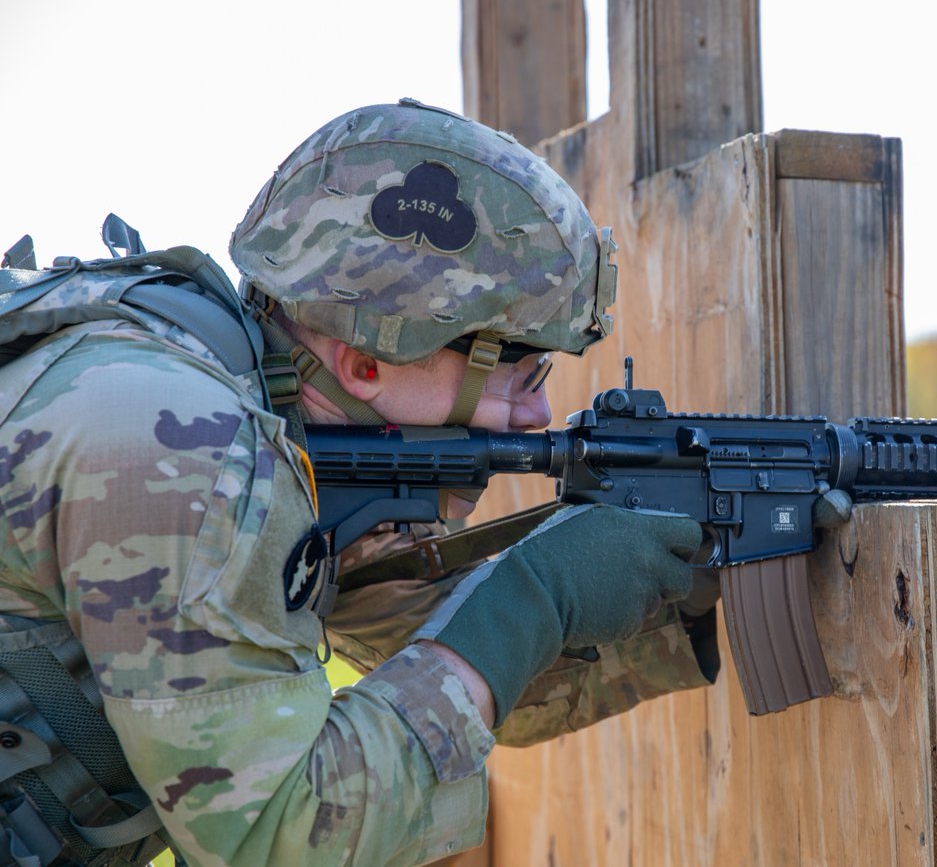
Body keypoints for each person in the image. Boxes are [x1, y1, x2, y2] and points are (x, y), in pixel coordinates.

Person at [0, 100, 720, 866]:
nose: (538, 414)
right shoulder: (177, 446)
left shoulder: (281, 424)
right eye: (522, 372)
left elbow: (455, 668)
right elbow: (279, 840)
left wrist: (700, 579)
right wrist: (537, 594)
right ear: (367, 363)